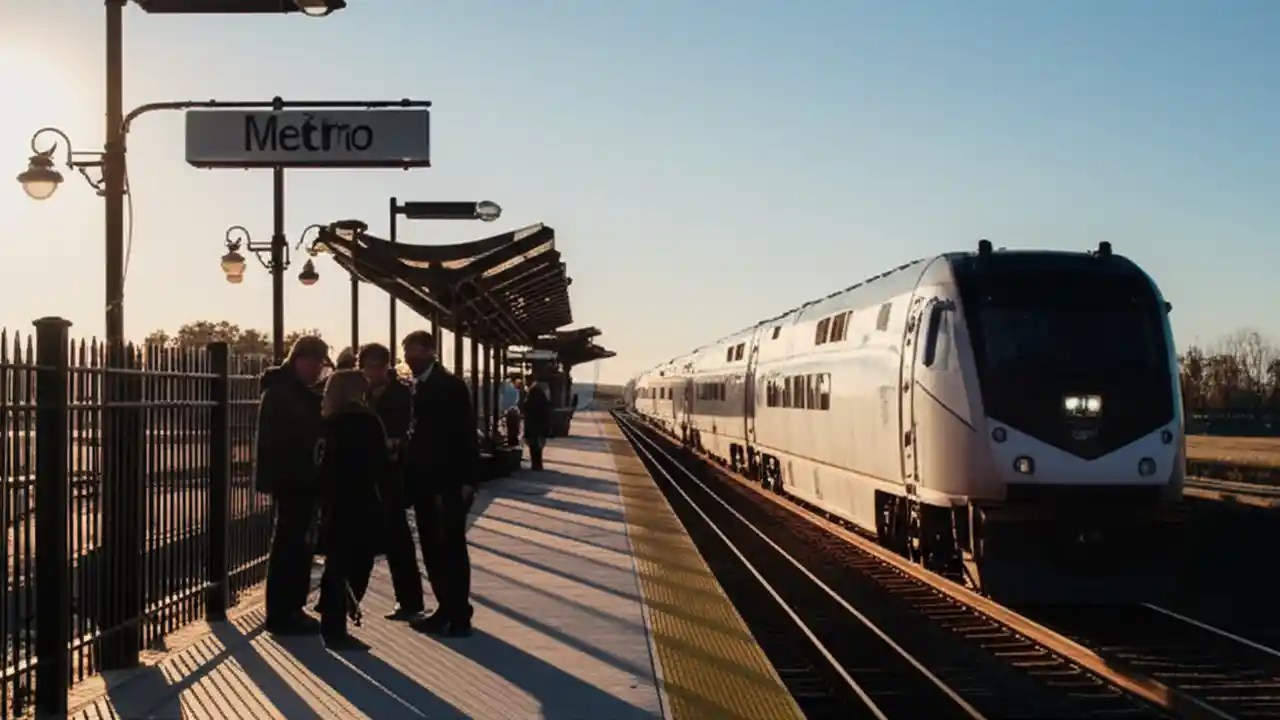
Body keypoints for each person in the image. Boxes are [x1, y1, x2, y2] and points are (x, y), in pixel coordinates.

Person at [401, 330, 479, 637]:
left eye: (415, 351)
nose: (409, 358)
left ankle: (459, 615)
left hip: (447, 482)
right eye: (407, 352)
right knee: (432, 548)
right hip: (424, 482)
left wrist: (468, 479)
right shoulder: (416, 387)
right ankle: (446, 606)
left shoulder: (450, 386)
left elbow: (465, 433)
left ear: (431, 351)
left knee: (451, 549)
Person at [253, 336, 330, 636]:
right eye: (317, 364)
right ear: (302, 360)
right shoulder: (285, 394)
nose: (318, 371)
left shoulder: (289, 391)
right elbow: (286, 439)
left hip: (298, 479)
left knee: (297, 545)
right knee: (291, 546)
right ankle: (285, 611)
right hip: (294, 479)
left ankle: (289, 609)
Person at [314, 369, 389, 650]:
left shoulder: (328, 422)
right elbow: (380, 464)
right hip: (360, 500)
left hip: (334, 501)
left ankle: (333, 617)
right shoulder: (366, 421)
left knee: (337, 563)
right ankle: (338, 621)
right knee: (356, 564)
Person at [358, 342, 425, 620]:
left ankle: (410, 601)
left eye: (377, 366)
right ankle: (344, 599)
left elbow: (398, 433)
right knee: (359, 542)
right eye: (367, 366)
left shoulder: (399, 395)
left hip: (390, 475)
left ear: (387, 366)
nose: (372, 372)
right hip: (363, 476)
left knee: (396, 538)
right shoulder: (357, 391)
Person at [523, 380, 552, 471]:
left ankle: (534, 463)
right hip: (540, 426)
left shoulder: (529, 398)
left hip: (531, 425)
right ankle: (538, 464)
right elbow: (546, 413)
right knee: (539, 446)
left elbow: (525, 411)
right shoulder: (543, 399)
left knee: (532, 445)